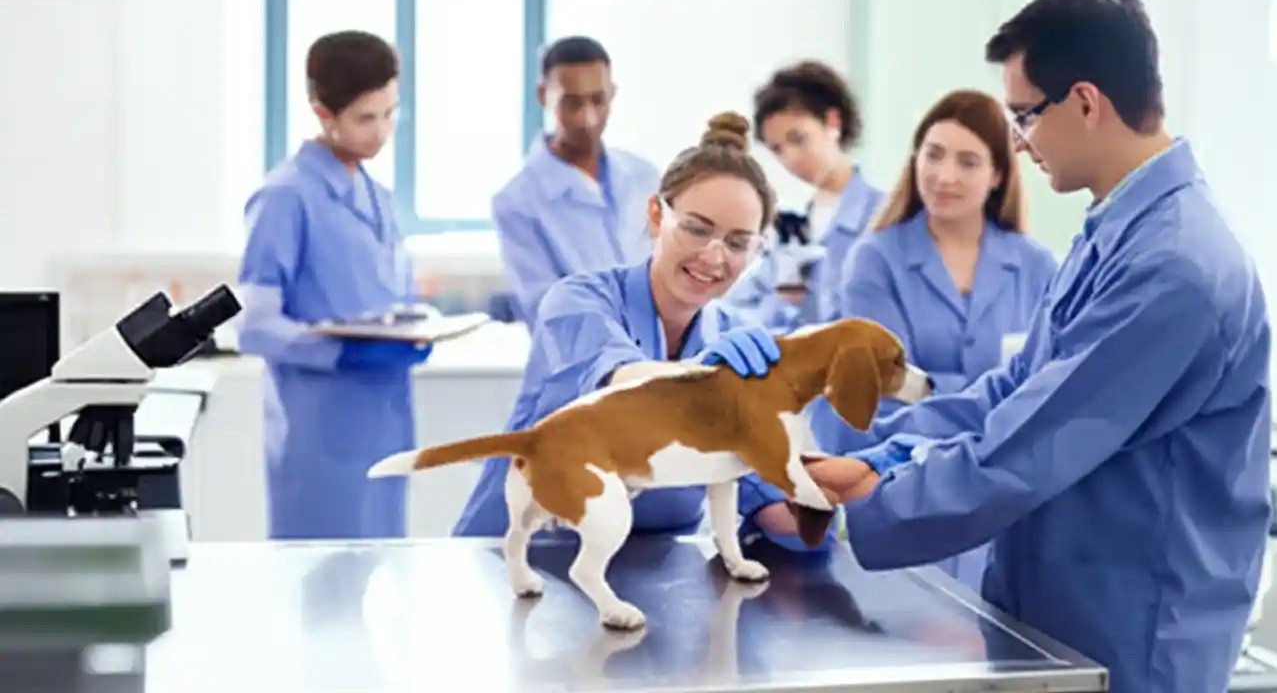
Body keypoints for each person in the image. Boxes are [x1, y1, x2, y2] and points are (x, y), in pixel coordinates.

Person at [800, 0, 1271, 693]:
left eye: (1024, 116)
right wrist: (876, 458)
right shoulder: (1116, 231)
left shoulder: (1176, 266)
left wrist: (865, 501)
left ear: (1085, 102)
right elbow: (1012, 393)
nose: (1018, 143)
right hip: (1057, 608)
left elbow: (1035, 444)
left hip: (1137, 634)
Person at [454, 112, 832, 551]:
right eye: (696, 228)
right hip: (523, 555)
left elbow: (776, 505)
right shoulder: (578, 302)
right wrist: (708, 381)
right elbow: (621, 381)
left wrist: (834, 490)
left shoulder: (735, 341)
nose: (713, 257)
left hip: (653, 579)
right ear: (657, 215)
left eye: (736, 242)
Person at [821, 88, 1057, 592]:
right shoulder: (875, 260)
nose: (944, 175)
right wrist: (997, 401)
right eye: (933, 154)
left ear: (997, 174)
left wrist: (948, 388)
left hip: (997, 511)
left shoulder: (1037, 266)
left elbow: (1048, 390)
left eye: (968, 161)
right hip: (901, 494)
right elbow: (881, 393)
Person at [237, 31, 431, 540]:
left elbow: (393, 296)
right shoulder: (285, 197)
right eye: (366, 118)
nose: (382, 132)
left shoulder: (378, 197)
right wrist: (338, 353)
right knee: (318, 587)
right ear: (322, 112)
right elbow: (254, 326)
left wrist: (414, 332)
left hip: (385, 419)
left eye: (391, 113)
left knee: (383, 570)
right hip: (318, 429)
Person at [493, 35, 660, 325]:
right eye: (572, 103)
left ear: (613, 94)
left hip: (660, 354)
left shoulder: (644, 177)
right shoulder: (517, 202)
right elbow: (544, 308)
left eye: (598, 100)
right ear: (543, 95)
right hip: (582, 362)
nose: (588, 118)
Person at [722, 61, 883, 331]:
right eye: (778, 149)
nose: (791, 158)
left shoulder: (885, 214)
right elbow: (734, 311)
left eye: (798, 139)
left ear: (833, 122)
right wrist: (782, 300)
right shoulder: (789, 227)